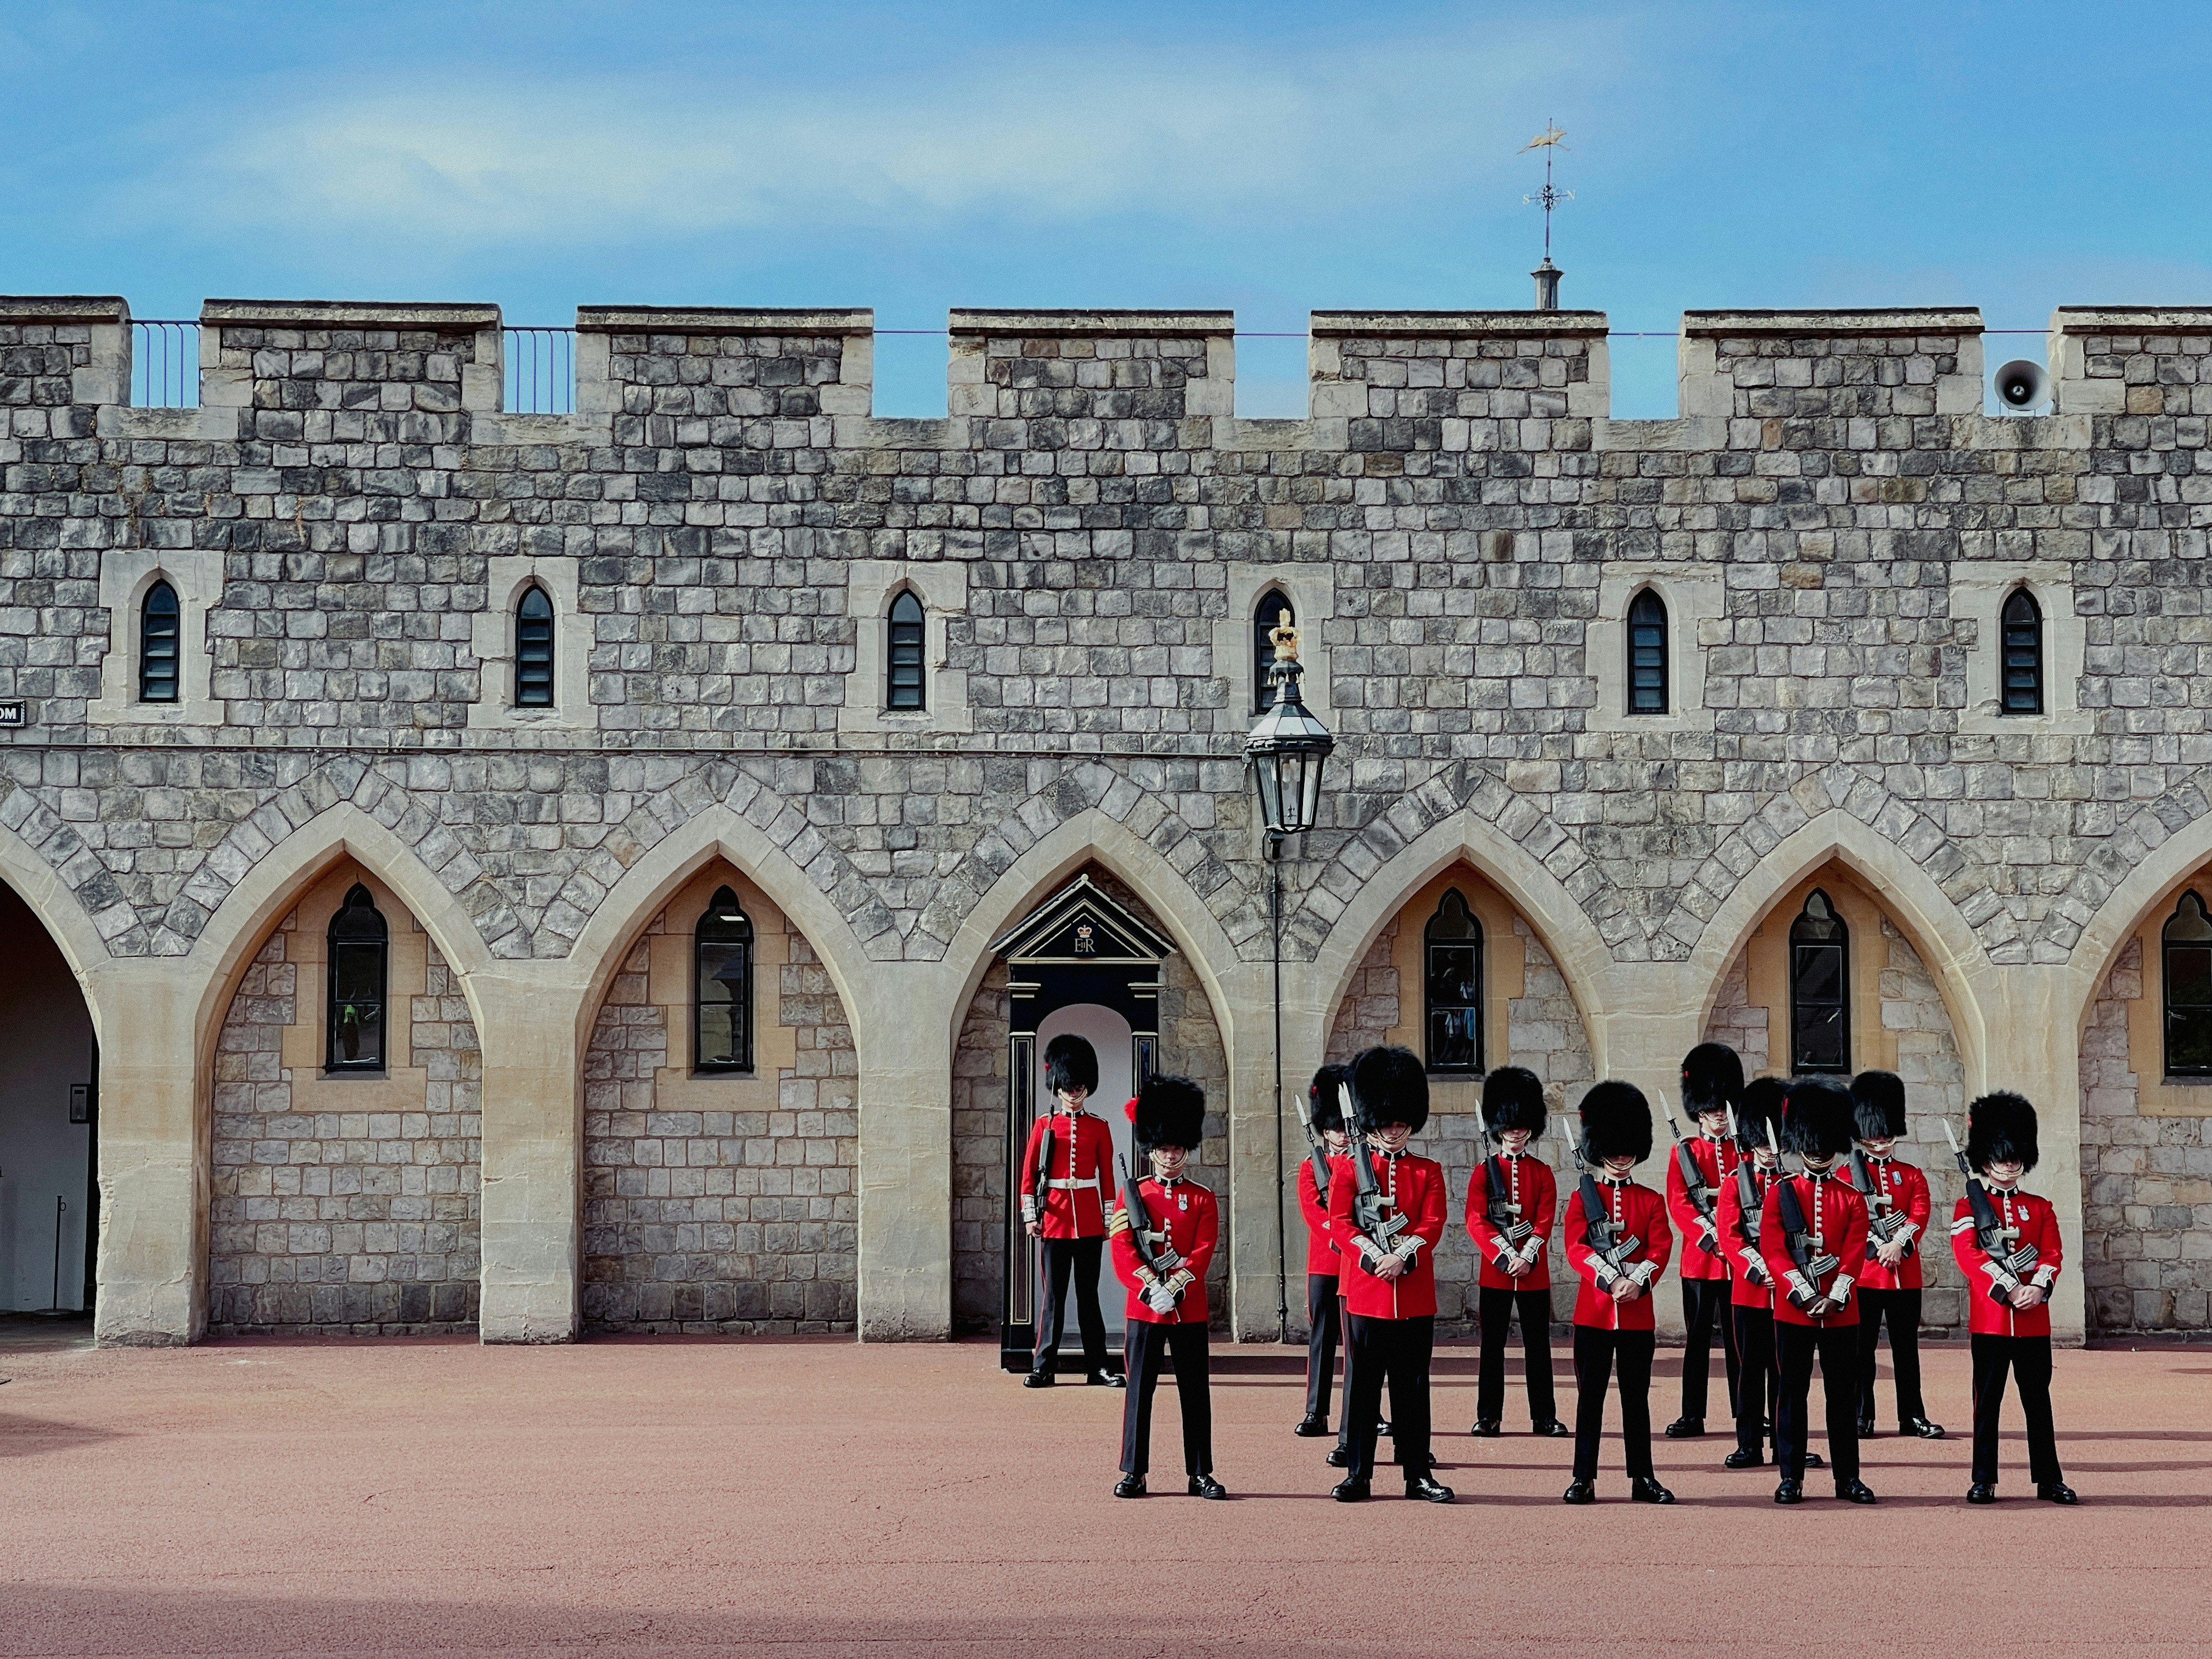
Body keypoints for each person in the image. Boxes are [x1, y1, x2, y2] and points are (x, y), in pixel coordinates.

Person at [1324, 1044, 1453, 1504]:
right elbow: (1339, 1222)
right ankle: (1359, 1473)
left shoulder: (1428, 1170)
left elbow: (1433, 1221)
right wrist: (1370, 1253)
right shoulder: (1348, 1169)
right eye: (1388, 1121)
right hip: (1366, 1291)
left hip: (1413, 1293)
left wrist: (1404, 1255)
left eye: (1401, 1121)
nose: (1395, 1129)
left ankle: (1417, 1473)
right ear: (1373, 1119)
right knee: (1363, 1388)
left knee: (1414, 1388)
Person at [1951, 1091, 2076, 1505]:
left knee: (2037, 1402)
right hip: (1990, 1319)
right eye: (2000, 1156)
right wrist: (2008, 1288)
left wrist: (2037, 1288)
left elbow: (2052, 1254)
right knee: (1987, 1403)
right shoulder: (1969, 1205)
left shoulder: (2039, 1208)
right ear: (1985, 1159)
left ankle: (2048, 1477)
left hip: (2032, 1320)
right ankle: (1983, 1477)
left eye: (2014, 1156)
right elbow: (1968, 1255)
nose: (2008, 1164)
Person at [1760, 1077, 1876, 1506]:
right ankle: (1791, 1476)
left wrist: (1837, 1292)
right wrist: (1804, 1293)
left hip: (1841, 1310)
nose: (1819, 1151)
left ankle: (1848, 1477)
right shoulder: (1782, 1193)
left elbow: (1854, 1249)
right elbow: (1773, 1249)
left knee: (1842, 1396)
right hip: (1794, 1310)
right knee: (1792, 1392)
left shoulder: (1852, 1198)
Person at [1109, 1075, 1225, 1499]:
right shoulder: (1133, 1195)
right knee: (1139, 1390)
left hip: (1187, 1306)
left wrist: (1175, 1285)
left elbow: (1203, 1249)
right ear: (1151, 1148)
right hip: (1144, 1308)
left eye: (1176, 1146)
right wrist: (1147, 1286)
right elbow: (1122, 1249)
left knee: (1195, 1392)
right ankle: (1134, 1470)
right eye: (1163, 1146)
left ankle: (1200, 1472)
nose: (1170, 1153)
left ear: (1186, 1147)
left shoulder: (1202, 1197)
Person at [1562, 1079, 1676, 1505]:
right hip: (1594, 1312)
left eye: (1628, 1149)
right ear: (1600, 1149)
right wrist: (1610, 1279)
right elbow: (1576, 1247)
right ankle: (1583, 1477)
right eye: (1615, 1149)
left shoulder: (1650, 1200)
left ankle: (1642, 1477)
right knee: (1590, 1398)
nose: (1622, 1157)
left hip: (1636, 1314)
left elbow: (1661, 1246)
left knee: (1636, 1399)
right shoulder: (1581, 1199)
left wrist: (1638, 1279)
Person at [1714, 1077, 1822, 1473]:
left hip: (1789, 1292)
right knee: (1750, 1370)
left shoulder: (1795, 1183)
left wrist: (1788, 1272)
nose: (1766, 1146)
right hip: (1752, 1291)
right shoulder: (1734, 1184)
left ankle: (1786, 1446)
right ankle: (1748, 1444)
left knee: (1787, 1372)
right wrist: (1764, 1271)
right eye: (1759, 1139)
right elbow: (1730, 1237)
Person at [1466, 1065, 1567, 1438]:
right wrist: (1505, 1255)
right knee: (1492, 1347)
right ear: (1499, 1127)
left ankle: (1543, 1415)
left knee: (1538, 1347)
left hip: (1533, 1271)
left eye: (1521, 1125)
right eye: (1509, 1126)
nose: (1515, 1131)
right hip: (1497, 1271)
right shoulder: (1483, 1172)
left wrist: (1528, 1255)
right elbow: (1476, 1220)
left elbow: (1544, 1219)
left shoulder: (1542, 1173)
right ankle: (1489, 1414)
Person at [1019, 1033, 1121, 1388]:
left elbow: (1107, 1177)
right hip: (1055, 1220)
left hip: (1090, 1221)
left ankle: (1098, 1366)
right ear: (1058, 1085)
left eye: (1079, 1084)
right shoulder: (1044, 1125)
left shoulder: (1099, 1127)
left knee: (1088, 1297)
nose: (1074, 1090)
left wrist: (1109, 1219)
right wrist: (1031, 1215)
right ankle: (1043, 1365)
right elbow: (1029, 1174)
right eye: (1068, 1084)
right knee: (1053, 1299)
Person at [1848, 1070, 1943, 1439]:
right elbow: (1851, 1218)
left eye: (1886, 1129)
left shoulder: (1912, 1174)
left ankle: (1912, 1415)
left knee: (1907, 1351)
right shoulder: (1848, 1174)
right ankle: (1862, 1414)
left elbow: (1920, 1211)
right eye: (1875, 1130)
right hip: (1867, 1275)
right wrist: (1878, 1246)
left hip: (1905, 1274)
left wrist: (1897, 1244)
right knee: (1862, 1351)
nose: (1882, 1137)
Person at [1665, 1042, 1745, 1440]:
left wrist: (1729, 1238)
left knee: (1740, 1341)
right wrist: (1708, 1235)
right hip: (1700, 1260)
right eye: (1712, 1108)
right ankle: (1692, 1414)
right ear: (1699, 1110)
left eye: (1722, 1108)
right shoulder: (1686, 1152)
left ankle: (1746, 1411)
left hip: (1738, 1260)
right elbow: (1678, 1203)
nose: (1719, 1115)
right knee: (1697, 1339)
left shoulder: (1742, 1151)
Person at [1294, 1064, 1350, 1439]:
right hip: (1325, 1260)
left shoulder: (1363, 1164)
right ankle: (1317, 1410)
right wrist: (1338, 1231)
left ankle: (1365, 1409)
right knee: (1322, 1337)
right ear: (1324, 1129)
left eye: (1344, 1126)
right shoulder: (1310, 1167)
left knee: (1361, 1343)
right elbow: (1312, 1209)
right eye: (1333, 1128)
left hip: (1356, 1264)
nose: (1340, 1134)